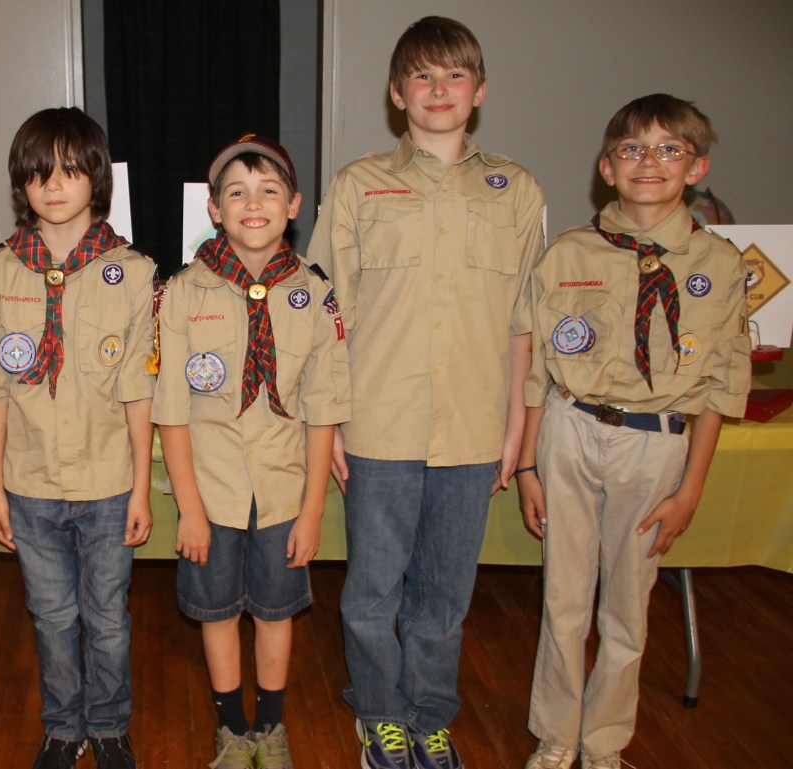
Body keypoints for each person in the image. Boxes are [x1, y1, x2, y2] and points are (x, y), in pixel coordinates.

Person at [306, 16, 546, 769]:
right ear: (395, 91)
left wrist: (517, 429)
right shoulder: (359, 185)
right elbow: (322, 313)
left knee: (444, 598)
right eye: (422, 76)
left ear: (479, 91)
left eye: (453, 76)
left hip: (474, 432)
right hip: (379, 426)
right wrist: (332, 426)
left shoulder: (517, 189)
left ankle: (430, 714)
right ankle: (380, 713)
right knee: (372, 592)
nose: (437, 90)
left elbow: (523, 322)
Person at [517, 94, 749, 769]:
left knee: (628, 605)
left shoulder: (720, 266)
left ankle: (604, 742)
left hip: (657, 444)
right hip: (570, 429)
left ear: (696, 166)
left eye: (668, 149)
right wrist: (529, 464)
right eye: (632, 150)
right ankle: (556, 736)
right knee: (564, 599)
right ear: (606, 167)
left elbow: (721, 388)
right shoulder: (567, 253)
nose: (649, 161)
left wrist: (691, 488)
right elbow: (537, 367)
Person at [0, 107, 155, 769]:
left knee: (106, 617)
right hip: (29, 483)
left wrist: (139, 488)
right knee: (51, 616)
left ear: (95, 180)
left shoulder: (130, 271)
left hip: (107, 484)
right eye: (39, 172)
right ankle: (61, 726)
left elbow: (138, 388)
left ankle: (107, 725)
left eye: (69, 170)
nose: (54, 184)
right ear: (21, 183)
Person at [155, 135, 351, 769]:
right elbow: (173, 414)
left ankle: (271, 725)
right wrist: (188, 509)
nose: (253, 204)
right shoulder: (184, 292)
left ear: (293, 203)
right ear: (214, 209)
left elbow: (322, 414)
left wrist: (314, 510)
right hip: (209, 492)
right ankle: (231, 729)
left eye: (269, 191)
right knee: (216, 613)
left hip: (283, 493)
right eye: (235, 193)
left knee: (275, 610)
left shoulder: (315, 295)